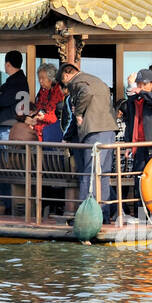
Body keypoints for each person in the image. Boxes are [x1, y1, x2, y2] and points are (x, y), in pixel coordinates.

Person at [59, 62, 118, 219]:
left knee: (89, 173)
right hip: (109, 130)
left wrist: (79, 113)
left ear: (66, 75)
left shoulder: (77, 82)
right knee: (103, 174)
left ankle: (86, 216)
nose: (66, 86)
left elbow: (87, 92)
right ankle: (103, 214)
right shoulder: (96, 79)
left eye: (63, 82)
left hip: (94, 133)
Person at [117, 68, 152, 222]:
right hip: (139, 145)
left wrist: (140, 92)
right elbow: (129, 121)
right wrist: (128, 144)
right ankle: (142, 215)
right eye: (139, 84)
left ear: (151, 83)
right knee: (139, 180)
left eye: (144, 84)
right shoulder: (134, 99)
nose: (140, 86)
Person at [0, 50, 30, 140]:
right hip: (14, 123)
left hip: (8, 124)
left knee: (6, 152)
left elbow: (2, 100)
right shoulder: (21, 80)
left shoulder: (15, 82)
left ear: (8, 64)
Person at [25, 63, 66, 142]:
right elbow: (39, 108)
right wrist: (33, 115)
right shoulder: (42, 91)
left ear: (52, 79)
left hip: (51, 133)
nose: (40, 81)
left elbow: (58, 117)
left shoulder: (59, 91)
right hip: (38, 131)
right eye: (39, 78)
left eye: (43, 78)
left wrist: (43, 117)